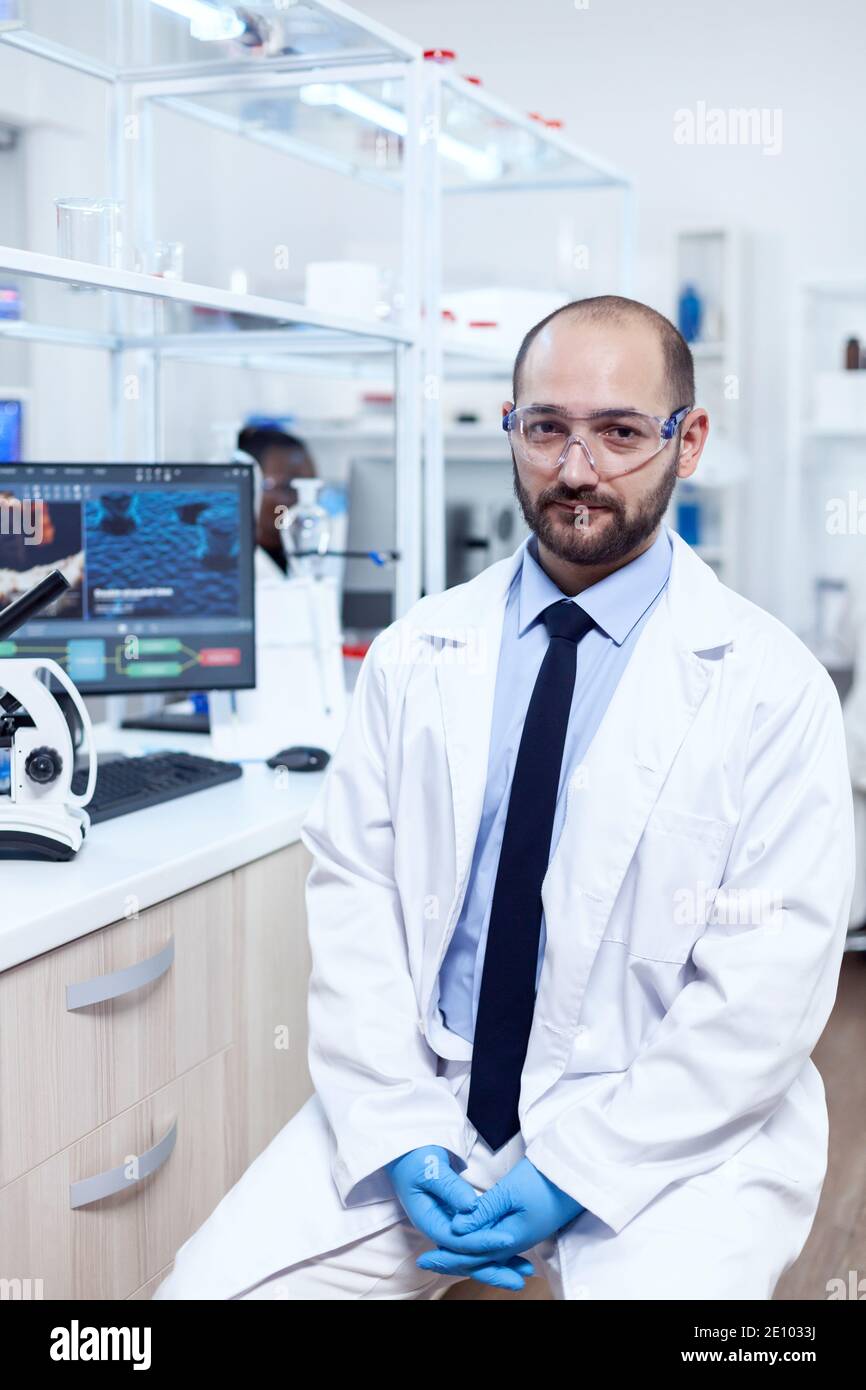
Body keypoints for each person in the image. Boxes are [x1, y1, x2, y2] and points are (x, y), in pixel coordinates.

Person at [154, 295, 855, 1301]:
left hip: (667, 1123)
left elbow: (765, 989)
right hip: (434, 1100)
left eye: (617, 431)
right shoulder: (414, 655)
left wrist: (576, 1169)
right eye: (545, 429)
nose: (575, 470)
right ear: (510, 432)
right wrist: (396, 1129)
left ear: (685, 440)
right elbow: (356, 903)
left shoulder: (767, 685)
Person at [237, 424, 316, 577]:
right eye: (287, 487)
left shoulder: (320, 550)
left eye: (310, 487)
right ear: (249, 486)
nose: (302, 501)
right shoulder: (236, 565)